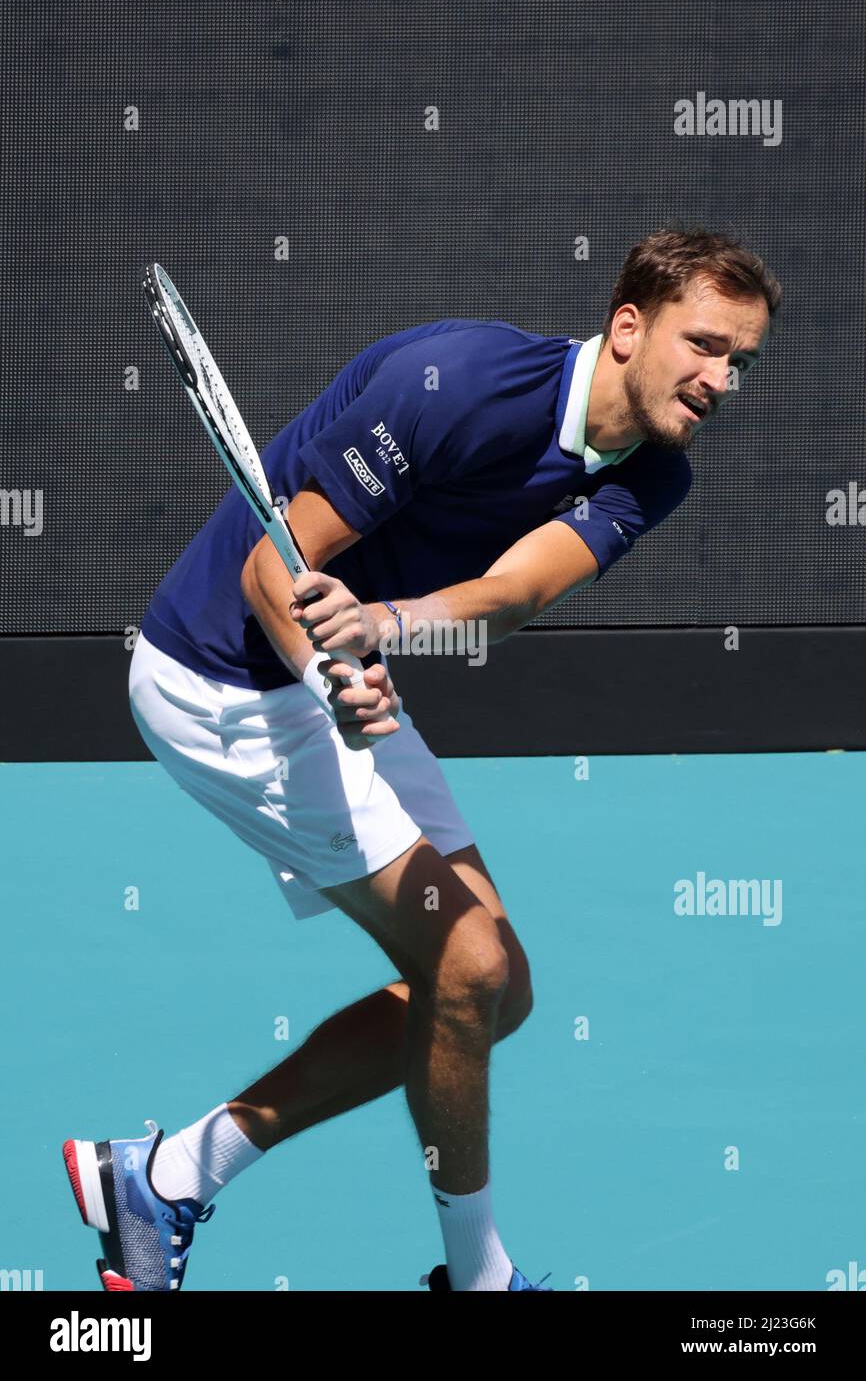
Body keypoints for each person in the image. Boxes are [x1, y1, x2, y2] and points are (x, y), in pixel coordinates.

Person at [62, 226, 780, 1292]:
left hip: (325, 680)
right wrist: (327, 679)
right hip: (218, 682)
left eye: (741, 363)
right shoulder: (457, 384)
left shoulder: (651, 475)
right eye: (706, 345)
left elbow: (503, 600)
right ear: (628, 326)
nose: (720, 379)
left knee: (496, 992)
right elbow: (273, 569)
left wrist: (383, 629)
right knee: (468, 962)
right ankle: (479, 1281)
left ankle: (165, 1174)